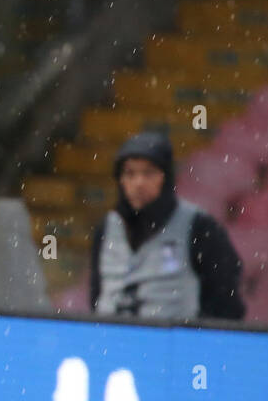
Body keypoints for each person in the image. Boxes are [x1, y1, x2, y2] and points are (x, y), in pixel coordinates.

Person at [90, 130, 244, 321]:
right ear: (120, 180)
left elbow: (225, 301)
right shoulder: (106, 228)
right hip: (111, 342)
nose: (138, 183)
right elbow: (96, 295)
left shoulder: (199, 226)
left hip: (175, 345)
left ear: (166, 177)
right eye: (130, 173)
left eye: (148, 173)